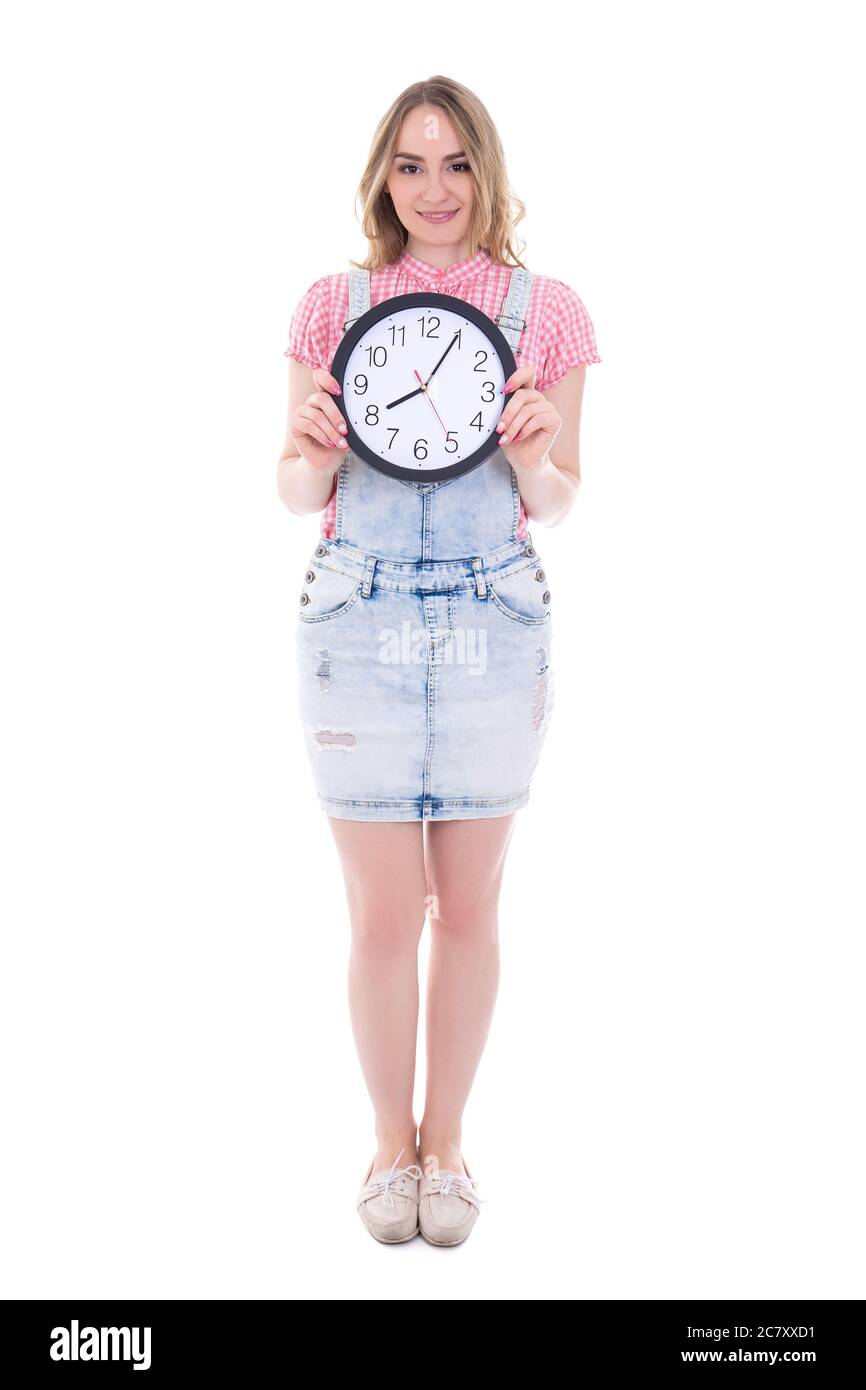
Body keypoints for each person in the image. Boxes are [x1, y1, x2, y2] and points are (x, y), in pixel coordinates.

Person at [276, 76, 601, 1245]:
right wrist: (309, 445)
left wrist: (532, 455)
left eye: (454, 163)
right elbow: (293, 487)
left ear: (486, 172)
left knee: (465, 902)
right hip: (356, 616)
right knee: (379, 909)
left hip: (489, 622)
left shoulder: (542, 308)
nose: (433, 190)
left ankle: (447, 1142)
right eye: (410, 166)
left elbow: (562, 500)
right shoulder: (335, 303)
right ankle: (385, 1141)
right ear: (382, 180)